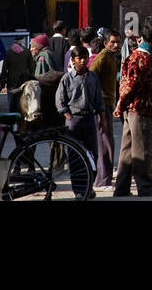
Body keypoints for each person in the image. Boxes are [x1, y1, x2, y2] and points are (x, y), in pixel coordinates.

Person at [114, 19, 152, 197]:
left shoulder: (138, 55)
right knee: (142, 150)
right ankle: (145, 187)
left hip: (133, 109)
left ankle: (122, 188)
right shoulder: (142, 57)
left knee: (127, 150)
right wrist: (121, 104)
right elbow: (130, 85)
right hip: (140, 109)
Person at [55, 46, 104, 199]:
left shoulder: (93, 77)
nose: (83, 61)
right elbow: (60, 101)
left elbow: (98, 100)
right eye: (79, 58)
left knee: (93, 155)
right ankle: (79, 191)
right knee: (75, 158)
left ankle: (89, 186)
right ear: (73, 60)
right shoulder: (67, 78)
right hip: (73, 121)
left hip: (90, 119)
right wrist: (69, 117)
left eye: (85, 57)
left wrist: (102, 117)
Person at [89, 29, 121, 190]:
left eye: (117, 42)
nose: (116, 45)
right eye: (113, 42)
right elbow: (90, 78)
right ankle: (102, 179)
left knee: (108, 142)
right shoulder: (101, 58)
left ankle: (105, 177)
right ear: (105, 42)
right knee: (104, 143)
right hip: (101, 105)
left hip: (108, 103)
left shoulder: (110, 57)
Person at [0, 37, 34, 112]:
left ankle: (12, 118)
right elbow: (32, 68)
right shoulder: (26, 51)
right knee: (24, 102)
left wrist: (2, 83)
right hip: (24, 81)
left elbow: (4, 69)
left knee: (11, 103)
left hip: (11, 82)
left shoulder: (8, 52)